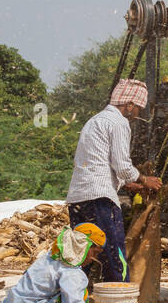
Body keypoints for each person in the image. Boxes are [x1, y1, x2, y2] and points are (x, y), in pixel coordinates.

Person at [66, 78, 161, 283]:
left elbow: (97, 164)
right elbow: (122, 165)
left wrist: (130, 185)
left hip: (78, 200)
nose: (137, 115)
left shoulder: (95, 121)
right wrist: (145, 180)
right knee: (114, 257)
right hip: (100, 201)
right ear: (128, 105)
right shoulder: (118, 123)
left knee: (81, 257)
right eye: (137, 109)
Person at [0, 223, 117, 303]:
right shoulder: (71, 273)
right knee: (80, 294)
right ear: (83, 246)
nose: (93, 259)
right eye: (94, 253)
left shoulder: (49, 257)